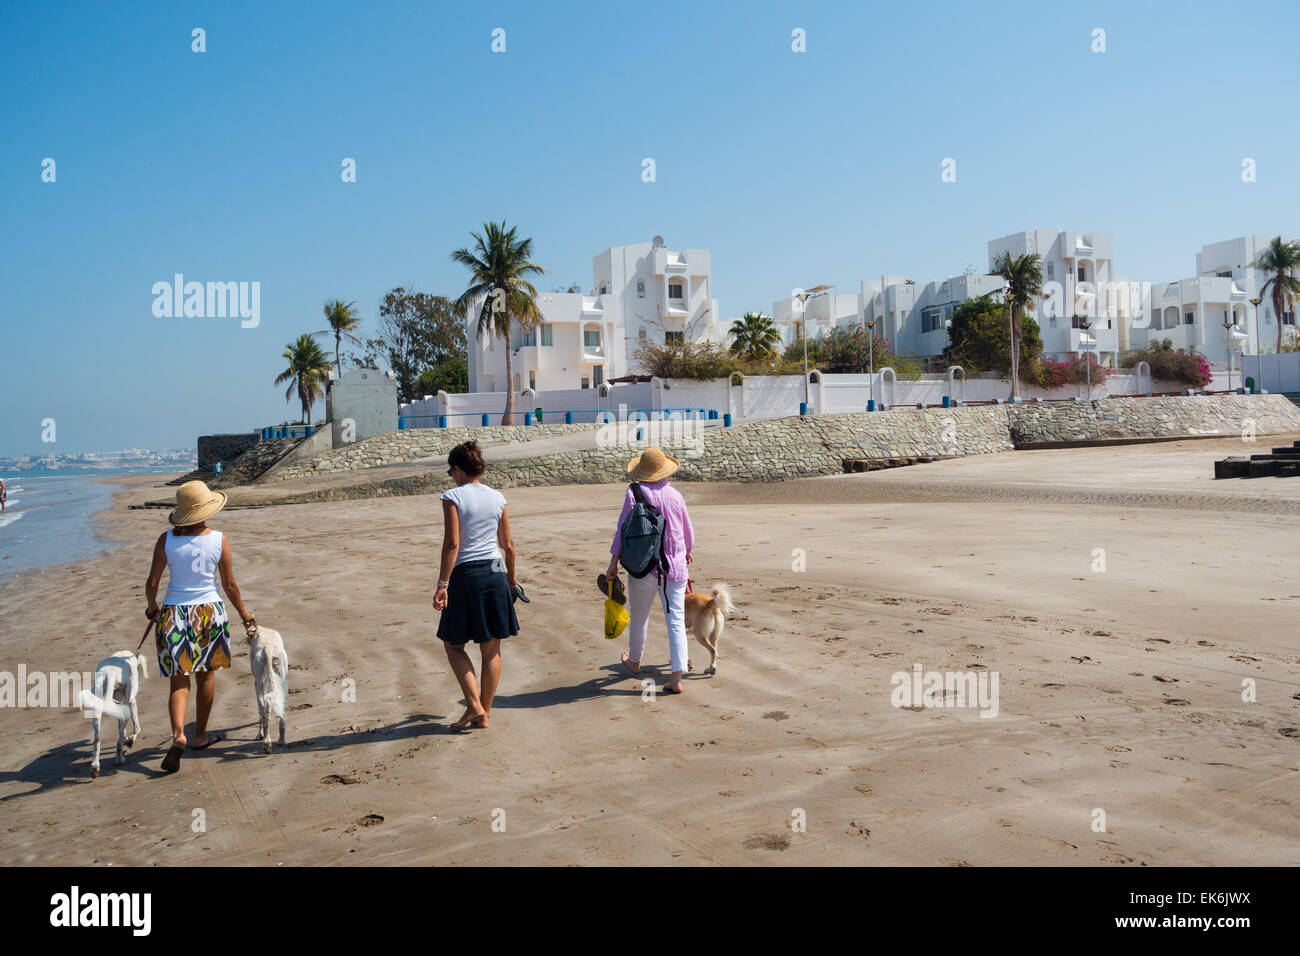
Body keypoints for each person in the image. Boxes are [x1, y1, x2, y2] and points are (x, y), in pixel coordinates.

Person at [144, 480, 254, 773]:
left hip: (174, 615)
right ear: (206, 510)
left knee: (179, 681)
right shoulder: (218, 540)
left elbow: (153, 582)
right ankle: (201, 735)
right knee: (205, 678)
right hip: (209, 614)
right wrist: (245, 615)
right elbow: (229, 585)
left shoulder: (166, 540)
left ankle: (178, 733)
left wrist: (152, 607)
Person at [434, 440, 518, 730]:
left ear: (458, 469)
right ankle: (485, 713)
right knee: (491, 649)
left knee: (453, 645)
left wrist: (442, 583)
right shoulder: (498, 497)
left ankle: (473, 706)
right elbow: (507, 545)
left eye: (451, 471)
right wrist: (511, 577)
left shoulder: (453, 496)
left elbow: (453, 544)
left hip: (466, 575)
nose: (452, 476)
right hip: (495, 572)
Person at [605, 446, 694, 694]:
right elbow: (688, 533)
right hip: (674, 569)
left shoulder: (634, 492)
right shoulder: (676, 496)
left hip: (643, 567)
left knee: (639, 616)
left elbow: (622, 528)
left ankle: (634, 660)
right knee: (675, 619)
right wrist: (686, 550)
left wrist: (613, 563)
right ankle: (676, 678)